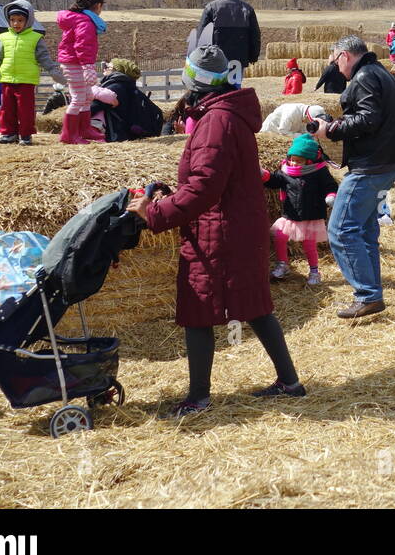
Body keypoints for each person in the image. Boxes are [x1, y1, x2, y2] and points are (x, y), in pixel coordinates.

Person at [126, 45, 304, 416]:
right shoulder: (225, 114)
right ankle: (290, 383)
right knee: (256, 306)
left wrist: (155, 213)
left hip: (219, 231)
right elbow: (214, 180)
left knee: (199, 311)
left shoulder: (216, 121)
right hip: (237, 224)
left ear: (194, 80)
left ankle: (198, 399)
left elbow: (205, 187)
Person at [311, 36, 395, 319]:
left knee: (340, 231)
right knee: (363, 231)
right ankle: (371, 294)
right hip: (386, 163)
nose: (335, 67)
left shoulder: (364, 77)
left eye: (335, 59)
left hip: (370, 167)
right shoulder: (379, 72)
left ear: (345, 56)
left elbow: (367, 119)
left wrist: (331, 130)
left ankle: (367, 295)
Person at [0, 0, 61, 145]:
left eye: (20, 20)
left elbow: (44, 58)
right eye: (12, 20)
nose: (16, 23)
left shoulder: (35, 38)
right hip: (7, 78)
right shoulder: (4, 37)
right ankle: (9, 133)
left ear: (28, 20)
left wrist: (53, 71)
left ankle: (26, 135)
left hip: (26, 80)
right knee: (7, 109)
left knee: (25, 110)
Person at [264, 133, 339, 285]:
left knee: (309, 245)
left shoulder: (319, 172)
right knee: (279, 237)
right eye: (291, 159)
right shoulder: (285, 171)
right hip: (290, 215)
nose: (293, 163)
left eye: (298, 161)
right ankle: (282, 264)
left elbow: (330, 185)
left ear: (309, 161)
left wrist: (331, 195)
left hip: (310, 215)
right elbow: (275, 181)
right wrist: (264, 175)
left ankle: (314, 271)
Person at [56, 0, 108, 145]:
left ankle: (84, 129)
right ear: (98, 6)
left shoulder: (81, 20)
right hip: (75, 63)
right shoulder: (85, 22)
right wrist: (87, 67)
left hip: (74, 62)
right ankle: (69, 135)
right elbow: (83, 46)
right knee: (78, 98)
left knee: (87, 96)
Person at [198, 0, 261, 78]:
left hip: (215, 60)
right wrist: (253, 57)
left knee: (216, 91)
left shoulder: (211, 7)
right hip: (238, 61)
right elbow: (255, 36)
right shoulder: (248, 9)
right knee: (234, 91)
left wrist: (202, 58)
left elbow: (201, 36)